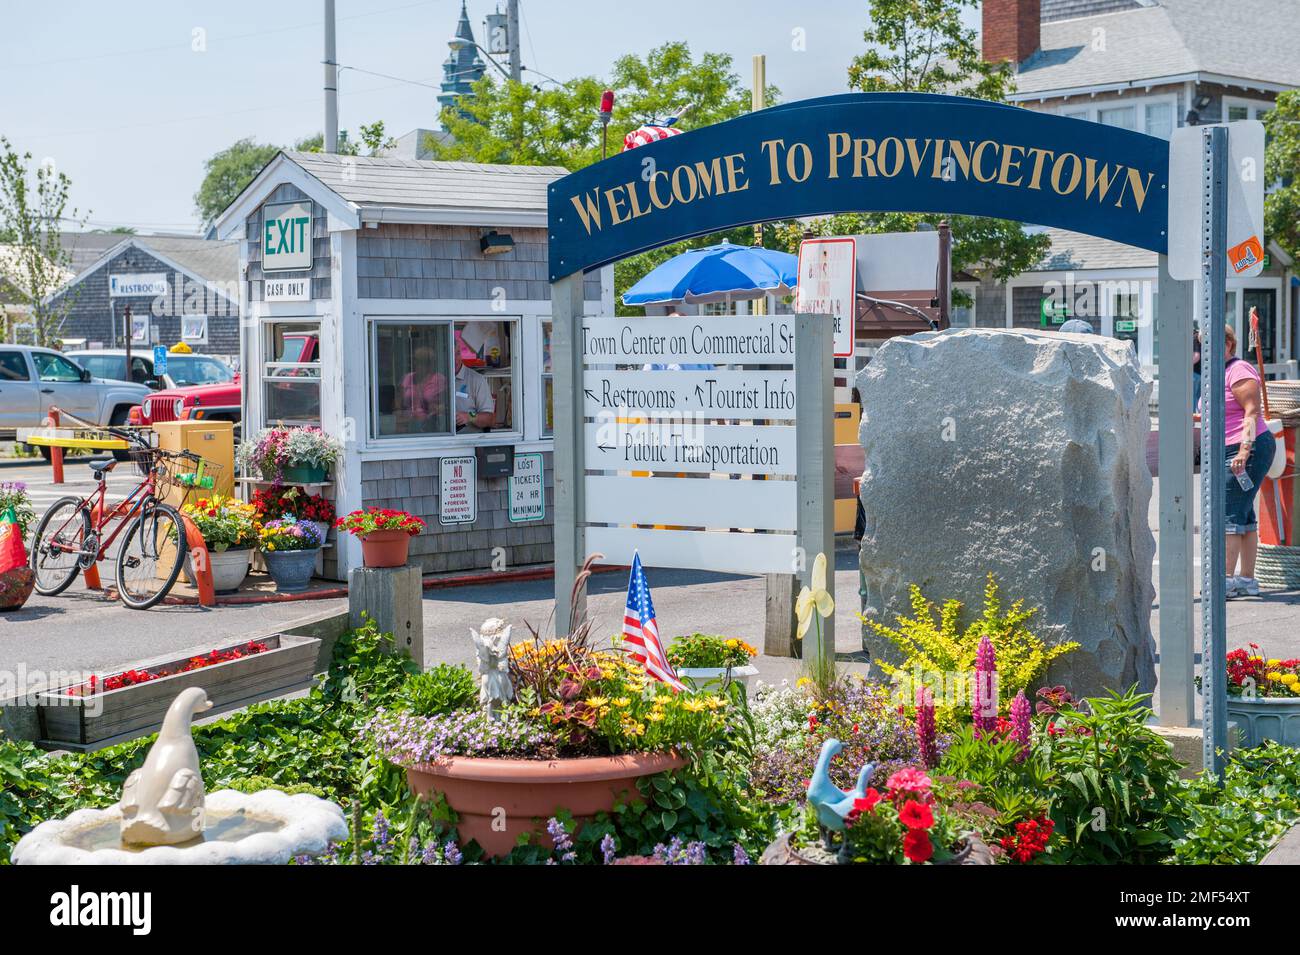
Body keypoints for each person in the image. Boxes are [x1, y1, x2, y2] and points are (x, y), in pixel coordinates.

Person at [1205, 323, 1276, 597]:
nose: (1208, 348)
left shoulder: (1238, 369)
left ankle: (1224, 581)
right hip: (1236, 447)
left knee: (1229, 514)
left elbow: (1251, 411)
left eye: (1215, 342)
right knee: (1244, 514)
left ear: (1229, 344)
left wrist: (1245, 451)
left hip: (1246, 447)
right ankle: (1246, 580)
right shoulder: (1216, 372)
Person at [455, 333, 495, 432]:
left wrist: (469, 416)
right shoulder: (438, 378)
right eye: (450, 354)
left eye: (457, 353)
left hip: (469, 442)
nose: (454, 359)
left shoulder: (476, 380)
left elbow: (489, 418)